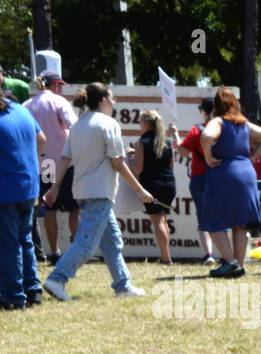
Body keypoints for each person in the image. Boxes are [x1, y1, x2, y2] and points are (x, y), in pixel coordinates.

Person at [41, 83, 154, 301]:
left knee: (112, 240)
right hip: (100, 192)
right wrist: (140, 191)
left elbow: (65, 159)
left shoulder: (78, 125)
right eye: (112, 99)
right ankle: (57, 278)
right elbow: (118, 163)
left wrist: (54, 187)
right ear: (103, 100)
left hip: (83, 192)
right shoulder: (108, 124)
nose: (114, 103)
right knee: (87, 243)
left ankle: (123, 285)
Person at [199, 87, 261, 278]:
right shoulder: (244, 124)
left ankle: (231, 262)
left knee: (213, 221)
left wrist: (208, 157)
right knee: (239, 223)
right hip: (247, 173)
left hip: (225, 173)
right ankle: (238, 266)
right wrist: (253, 156)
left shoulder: (218, 121)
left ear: (216, 105)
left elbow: (206, 136)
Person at [23, 71, 80, 263]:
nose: (61, 88)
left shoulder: (28, 105)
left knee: (50, 208)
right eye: (60, 85)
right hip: (65, 162)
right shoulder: (58, 102)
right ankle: (77, 250)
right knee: (74, 207)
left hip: (45, 164)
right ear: (55, 85)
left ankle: (54, 252)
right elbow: (74, 125)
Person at [0, 92, 43, 309]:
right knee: (24, 239)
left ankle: (14, 296)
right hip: (28, 186)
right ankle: (32, 289)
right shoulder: (21, 110)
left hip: (6, 189)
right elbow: (41, 140)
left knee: (8, 243)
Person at [174, 97, 218, 265]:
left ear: (205, 112)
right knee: (223, 215)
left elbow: (183, 152)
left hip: (200, 177)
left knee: (203, 217)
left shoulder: (197, 130)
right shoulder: (226, 129)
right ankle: (230, 254)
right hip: (220, 177)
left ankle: (209, 254)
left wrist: (176, 137)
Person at [130, 110, 177, 265]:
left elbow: (138, 169)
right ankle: (166, 255)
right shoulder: (166, 142)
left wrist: (132, 155)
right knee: (163, 219)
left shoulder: (141, 143)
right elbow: (171, 166)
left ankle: (166, 258)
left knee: (157, 221)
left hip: (152, 185)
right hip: (169, 185)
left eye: (140, 122)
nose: (139, 126)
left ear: (146, 123)